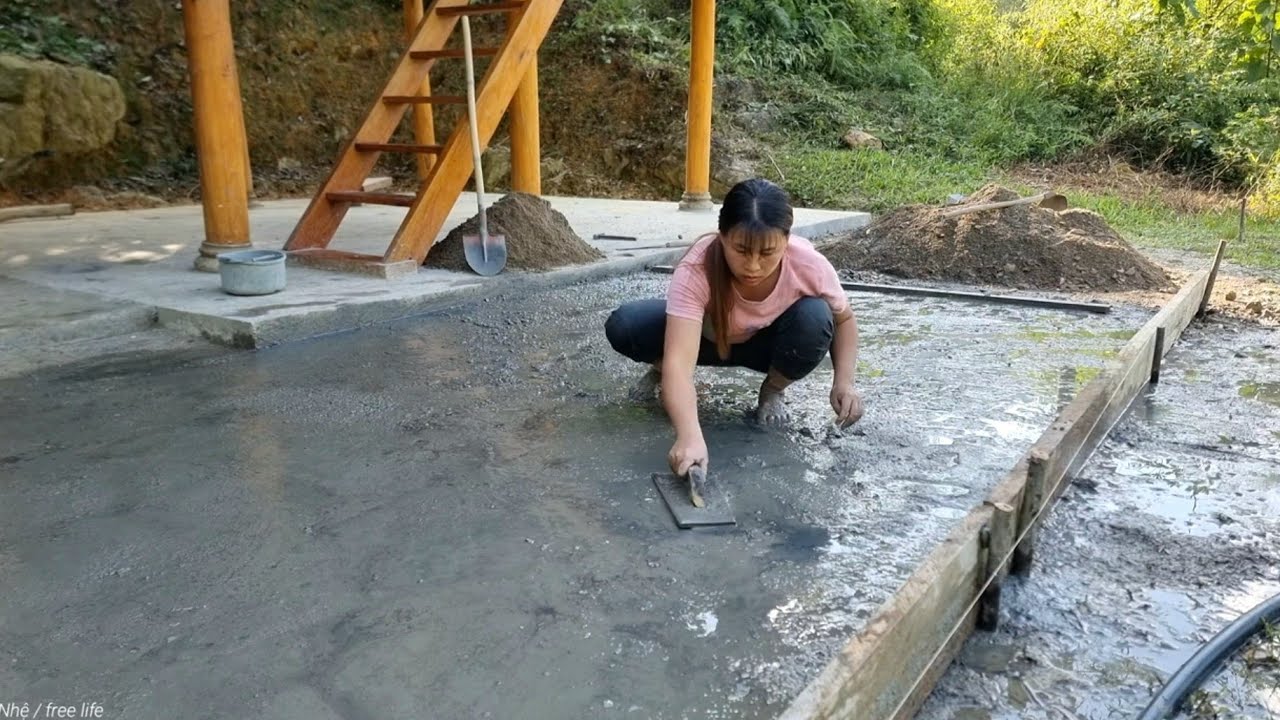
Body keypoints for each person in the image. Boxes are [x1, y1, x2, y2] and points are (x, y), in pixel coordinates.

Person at [604, 178, 863, 478]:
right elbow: (679, 363)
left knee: (816, 316)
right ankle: (657, 370)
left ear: (786, 240)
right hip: (707, 340)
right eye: (741, 250)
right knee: (626, 325)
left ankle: (773, 390)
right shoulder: (697, 268)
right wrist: (689, 436)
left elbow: (844, 320)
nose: (753, 265)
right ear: (722, 236)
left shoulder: (809, 264)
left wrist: (843, 383)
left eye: (767, 253)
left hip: (765, 346)